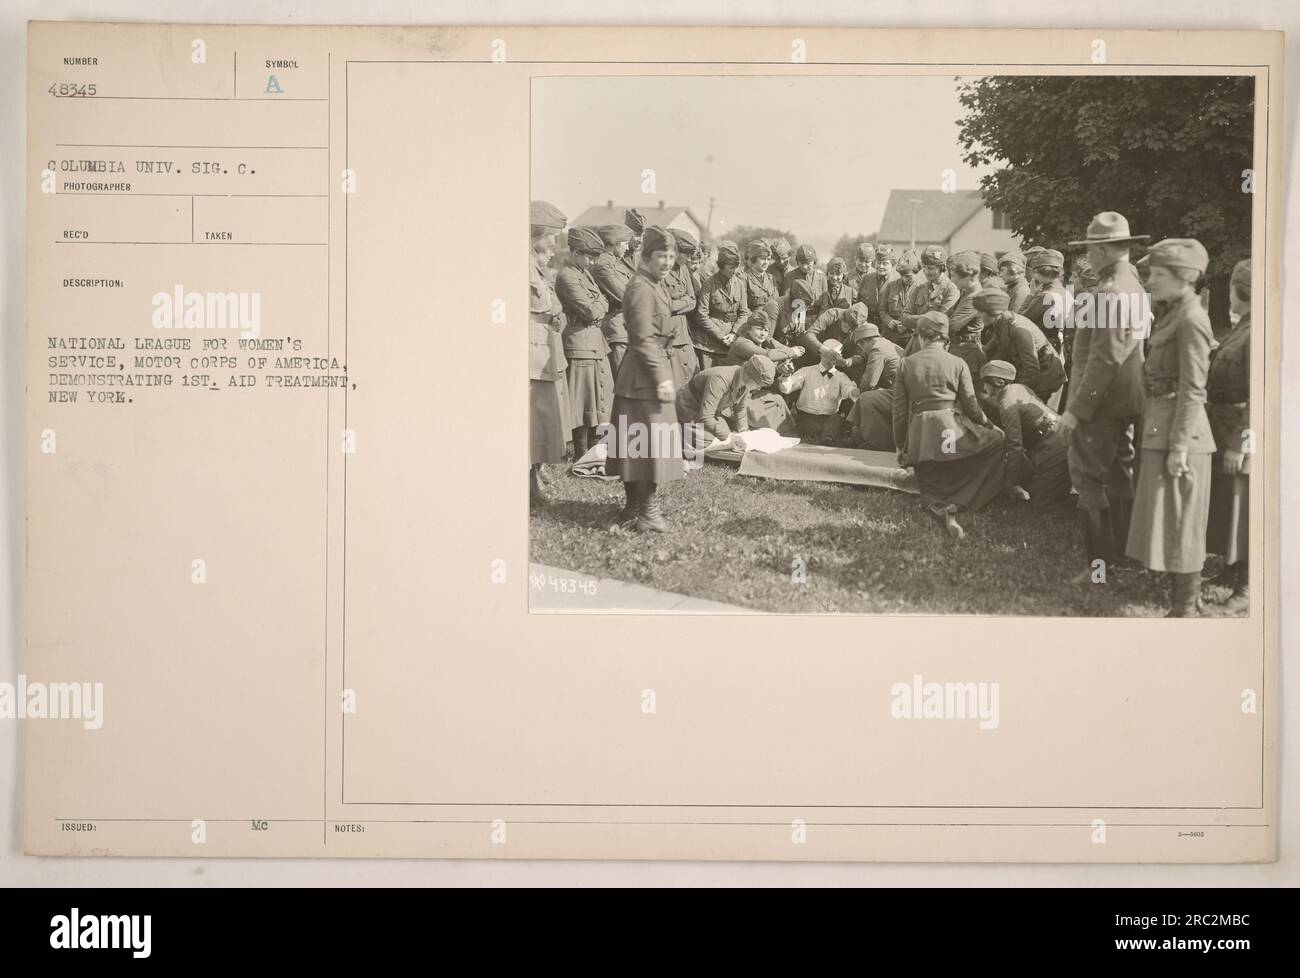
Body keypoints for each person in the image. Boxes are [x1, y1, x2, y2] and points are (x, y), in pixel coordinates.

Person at [1125, 238, 1217, 616]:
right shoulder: (1175, 312)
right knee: (1170, 519)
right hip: (1162, 428)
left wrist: (1179, 446)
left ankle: (1184, 609)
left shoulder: (1192, 318)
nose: (1150, 281)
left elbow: (1194, 389)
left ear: (1182, 276)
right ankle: (1180, 602)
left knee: (1183, 522)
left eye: (1158, 274)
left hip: (1183, 436)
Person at [1058, 212, 1149, 584]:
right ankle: (1126, 558)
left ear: (1103, 249)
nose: (1087, 257)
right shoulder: (1135, 287)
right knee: (1119, 471)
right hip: (1127, 398)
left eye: (1090, 249)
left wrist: (1076, 411)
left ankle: (1100, 568)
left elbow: (1104, 358)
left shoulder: (1111, 292)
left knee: (1089, 478)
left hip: (1101, 402)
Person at [892, 311, 1007, 539]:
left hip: (922, 439)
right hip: (953, 436)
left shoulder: (906, 364)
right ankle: (963, 500)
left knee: (932, 481)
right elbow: (972, 407)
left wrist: (900, 447)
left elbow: (898, 412)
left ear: (920, 337)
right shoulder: (958, 362)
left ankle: (940, 504)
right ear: (945, 339)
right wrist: (989, 425)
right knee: (998, 440)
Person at [604, 225, 685, 533]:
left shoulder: (653, 283)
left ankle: (634, 508)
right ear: (646, 256)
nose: (667, 262)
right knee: (644, 447)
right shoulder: (640, 287)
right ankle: (646, 512)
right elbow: (642, 337)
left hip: (646, 374)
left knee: (640, 445)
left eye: (671, 256)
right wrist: (662, 378)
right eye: (661, 255)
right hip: (643, 377)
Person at [1204, 258, 1251, 614]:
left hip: (1238, 427)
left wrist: (1239, 444)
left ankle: (1247, 586)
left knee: (1246, 506)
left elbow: (1260, 394)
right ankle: (1230, 570)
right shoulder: (1243, 327)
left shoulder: (1257, 330)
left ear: (1240, 290)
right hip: (1222, 423)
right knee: (1231, 505)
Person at [555, 226, 614, 461]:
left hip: (595, 343)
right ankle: (581, 453)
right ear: (575, 252)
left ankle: (593, 451)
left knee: (597, 398)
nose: (591, 262)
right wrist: (601, 302)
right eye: (588, 256)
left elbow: (602, 302)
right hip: (579, 343)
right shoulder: (567, 276)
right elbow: (591, 310)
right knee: (582, 402)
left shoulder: (582, 273)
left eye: (594, 257)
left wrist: (600, 302)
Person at [528, 201, 573, 509]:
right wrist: (555, 310)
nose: (556, 242)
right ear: (537, 231)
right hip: (529, 354)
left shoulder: (534, 263)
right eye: (553, 235)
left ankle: (533, 477)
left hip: (542, 351)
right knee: (530, 422)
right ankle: (528, 487)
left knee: (540, 421)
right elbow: (544, 306)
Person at [978, 361, 1072, 508]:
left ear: (997, 382)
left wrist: (1010, 483)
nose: (983, 387)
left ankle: (1074, 499)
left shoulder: (1006, 402)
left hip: (1055, 447)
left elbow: (1015, 445)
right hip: (1062, 438)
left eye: (985, 382)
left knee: (1036, 501)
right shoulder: (1019, 388)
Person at [973, 286, 1065, 404]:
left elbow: (1031, 369)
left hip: (1047, 378)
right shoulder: (1002, 320)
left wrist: (1014, 395)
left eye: (980, 311)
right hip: (1033, 372)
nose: (978, 315)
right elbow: (999, 339)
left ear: (993, 312)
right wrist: (985, 350)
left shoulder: (1019, 330)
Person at [723, 309, 799, 434]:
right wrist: (792, 352)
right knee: (767, 409)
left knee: (778, 400)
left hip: (751, 392)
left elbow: (764, 370)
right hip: (736, 397)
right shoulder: (742, 343)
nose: (763, 334)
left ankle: (787, 435)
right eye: (759, 329)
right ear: (748, 328)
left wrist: (782, 369)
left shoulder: (759, 342)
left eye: (766, 330)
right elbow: (767, 356)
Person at [675, 355, 777, 445]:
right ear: (749, 376)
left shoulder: (744, 380)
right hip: (688, 405)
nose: (758, 388)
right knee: (710, 441)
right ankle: (677, 428)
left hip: (710, 410)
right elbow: (705, 416)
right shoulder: (720, 379)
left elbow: (740, 409)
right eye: (758, 384)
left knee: (726, 438)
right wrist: (729, 437)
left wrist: (744, 431)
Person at [779, 338, 860, 445]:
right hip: (807, 416)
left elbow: (848, 390)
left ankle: (826, 439)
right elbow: (786, 389)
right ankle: (824, 439)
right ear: (820, 353)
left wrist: (854, 392)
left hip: (829, 418)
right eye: (829, 354)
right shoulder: (806, 371)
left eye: (836, 355)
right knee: (811, 426)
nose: (832, 358)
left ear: (840, 357)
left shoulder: (841, 376)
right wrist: (786, 376)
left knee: (836, 420)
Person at [692, 240, 748, 371]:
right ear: (721, 266)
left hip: (731, 341)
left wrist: (734, 333)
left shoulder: (740, 284)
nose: (735, 271)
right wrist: (721, 335)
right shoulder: (709, 284)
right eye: (731, 267)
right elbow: (701, 314)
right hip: (709, 343)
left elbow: (744, 312)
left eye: (737, 266)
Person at [591, 224, 634, 377]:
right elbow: (625, 296)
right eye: (625, 243)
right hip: (616, 328)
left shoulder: (616, 263)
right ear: (614, 243)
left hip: (626, 326)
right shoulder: (603, 265)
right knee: (622, 380)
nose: (627, 248)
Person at [663, 228, 702, 390]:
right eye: (685, 254)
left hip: (684, 334)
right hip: (667, 334)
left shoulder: (684, 268)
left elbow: (693, 301)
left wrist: (677, 303)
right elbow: (662, 305)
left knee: (689, 379)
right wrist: (683, 301)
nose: (687, 259)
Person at [900, 246, 960, 348]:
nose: (927, 272)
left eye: (931, 268)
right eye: (924, 267)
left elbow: (940, 321)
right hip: (916, 342)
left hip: (938, 344)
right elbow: (904, 318)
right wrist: (929, 319)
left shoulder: (951, 289)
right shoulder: (919, 288)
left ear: (942, 268)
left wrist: (915, 320)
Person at [877, 249, 923, 348]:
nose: (904, 279)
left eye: (908, 276)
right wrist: (888, 321)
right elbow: (882, 309)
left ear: (916, 273)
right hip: (891, 336)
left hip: (911, 337)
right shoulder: (891, 286)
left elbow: (923, 315)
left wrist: (908, 325)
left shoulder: (922, 289)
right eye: (902, 276)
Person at [857, 244, 898, 324]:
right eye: (878, 263)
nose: (881, 266)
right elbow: (859, 305)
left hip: (888, 327)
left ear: (892, 265)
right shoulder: (866, 279)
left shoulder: (897, 283)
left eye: (885, 263)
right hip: (867, 325)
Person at [742, 239, 780, 313]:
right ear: (754, 260)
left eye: (768, 259)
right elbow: (743, 309)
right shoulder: (744, 278)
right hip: (754, 320)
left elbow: (777, 302)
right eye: (763, 259)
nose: (766, 262)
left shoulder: (771, 278)